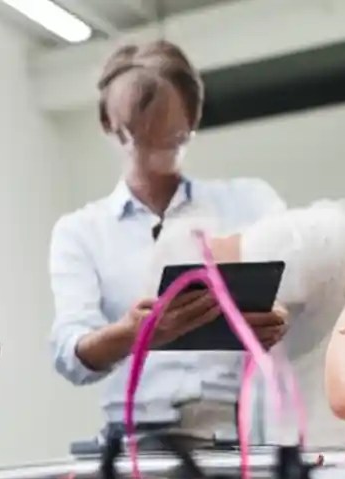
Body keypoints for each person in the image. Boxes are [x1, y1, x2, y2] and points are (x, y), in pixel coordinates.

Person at [49, 40, 289, 443]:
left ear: (192, 120)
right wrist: (130, 333)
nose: (159, 155)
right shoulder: (81, 231)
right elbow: (71, 354)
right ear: (110, 125)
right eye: (141, 138)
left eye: (174, 137)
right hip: (133, 444)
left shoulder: (249, 202)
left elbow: (306, 295)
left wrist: (282, 318)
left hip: (240, 436)